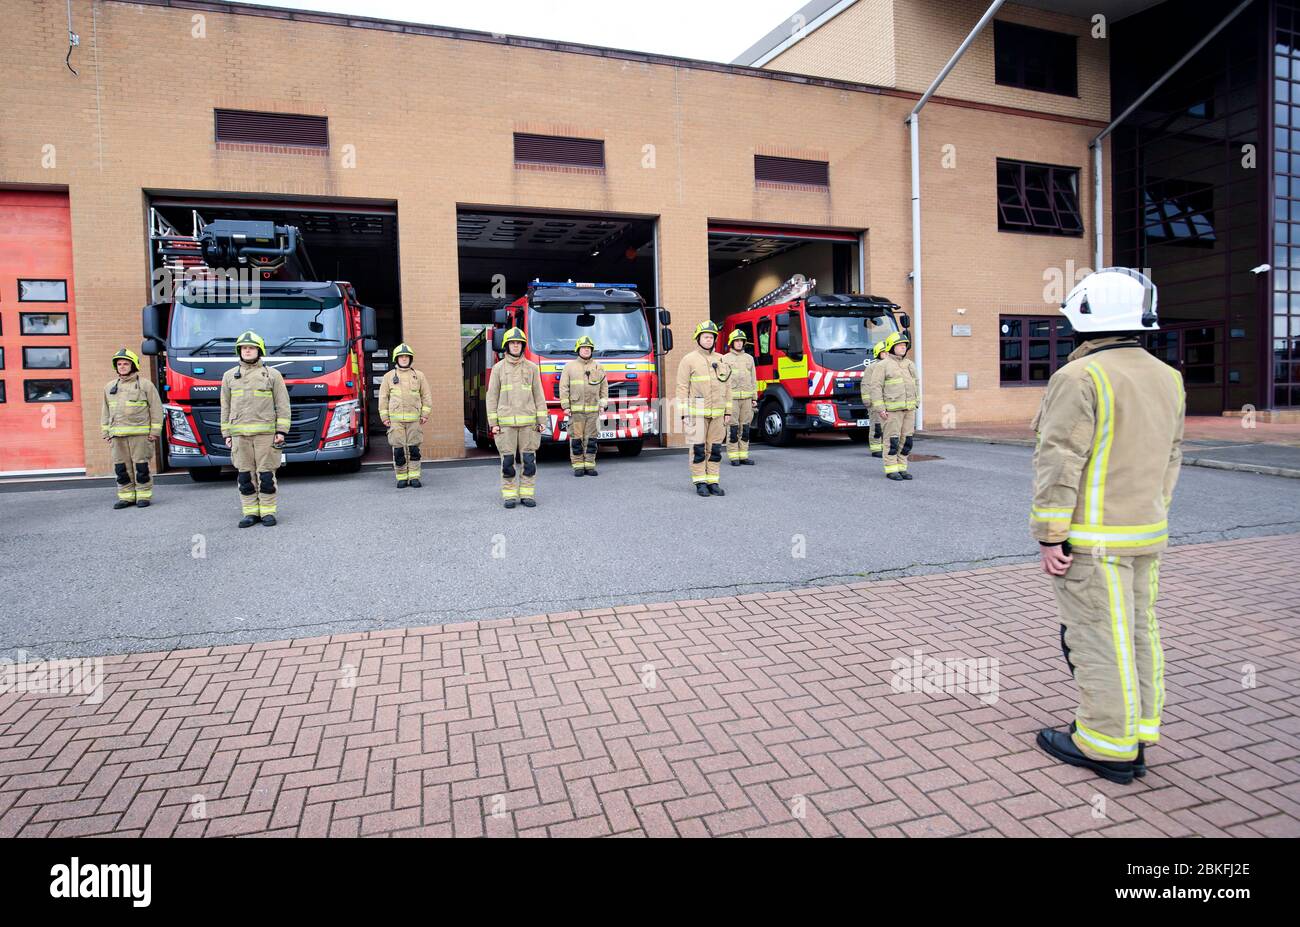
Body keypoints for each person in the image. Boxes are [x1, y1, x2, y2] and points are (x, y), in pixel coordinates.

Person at [1032, 268, 1184, 785]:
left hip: (1093, 542)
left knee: (1098, 637)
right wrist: (1151, 511)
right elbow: (1171, 457)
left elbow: (1059, 461)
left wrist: (1051, 534)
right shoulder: (1168, 377)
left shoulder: (1079, 377)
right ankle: (1139, 729)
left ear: (1085, 320)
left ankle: (1105, 743)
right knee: (1140, 633)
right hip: (1144, 531)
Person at [220, 330, 290, 527]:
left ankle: (268, 512)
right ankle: (250, 513)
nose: (247, 351)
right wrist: (226, 433)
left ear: (259, 350)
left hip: (266, 436)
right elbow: (225, 406)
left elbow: (283, 405)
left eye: (251, 348)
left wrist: (281, 431)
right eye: (244, 348)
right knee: (245, 476)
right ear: (239, 351)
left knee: (266, 475)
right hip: (239, 436)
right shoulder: (229, 377)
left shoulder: (272, 375)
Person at [486, 326, 547, 508]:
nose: (515, 346)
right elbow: (492, 396)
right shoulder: (498, 369)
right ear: (506, 346)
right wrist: (493, 423)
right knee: (507, 462)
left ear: (522, 346)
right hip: (505, 425)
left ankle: (527, 494)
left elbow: (539, 395)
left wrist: (541, 420)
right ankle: (509, 495)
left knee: (529, 461)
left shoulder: (532, 368)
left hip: (529, 424)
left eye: (518, 343)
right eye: (512, 343)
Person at [101, 348, 163, 508]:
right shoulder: (109, 387)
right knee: (121, 468)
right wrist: (106, 432)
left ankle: (143, 496)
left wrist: (154, 432)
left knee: (141, 467)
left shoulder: (145, 385)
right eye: (119, 364)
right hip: (117, 436)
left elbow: (156, 409)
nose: (122, 366)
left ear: (133, 365)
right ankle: (126, 497)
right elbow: (105, 410)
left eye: (125, 363)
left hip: (140, 436)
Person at [676, 320, 733, 496]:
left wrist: (728, 411)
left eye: (711, 337)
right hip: (696, 413)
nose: (709, 340)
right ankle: (700, 482)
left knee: (715, 449)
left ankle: (713, 481)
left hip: (718, 414)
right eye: (705, 337)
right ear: (698, 338)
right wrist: (684, 414)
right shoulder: (689, 360)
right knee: (699, 449)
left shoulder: (721, 359)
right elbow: (682, 388)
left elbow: (728, 387)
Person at [378, 342, 432, 488]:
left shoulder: (419, 376)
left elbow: (426, 396)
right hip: (395, 422)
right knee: (399, 451)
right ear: (396, 359)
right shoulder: (388, 377)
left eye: (406, 357)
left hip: (414, 421)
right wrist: (384, 417)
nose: (403, 359)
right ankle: (401, 477)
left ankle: (414, 477)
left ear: (410, 359)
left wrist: (425, 414)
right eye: (401, 357)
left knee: (414, 450)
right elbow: (383, 398)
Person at [868, 332, 916, 481]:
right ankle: (891, 469)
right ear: (891, 347)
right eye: (900, 345)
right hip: (891, 411)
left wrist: (916, 403)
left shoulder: (909, 364)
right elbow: (875, 388)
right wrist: (880, 408)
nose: (903, 348)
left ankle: (902, 468)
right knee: (892, 441)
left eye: (904, 345)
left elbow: (916, 384)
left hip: (909, 409)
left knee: (906, 440)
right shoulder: (882, 365)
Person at [559, 335, 609, 476]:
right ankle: (578, 466)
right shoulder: (569, 367)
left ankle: (590, 465)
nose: (586, 350)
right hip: (576, 412)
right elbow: (563, 387)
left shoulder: (598, 367)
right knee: (576, 440)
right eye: (583, 348)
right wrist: (565, 406)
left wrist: (603, 403)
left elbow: (604, 388)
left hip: (593, 412)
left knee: (591, 440)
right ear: (578, 350)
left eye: (588, 348)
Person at [719, 329, 757, 466]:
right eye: (737, 341)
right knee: (733, 429)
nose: (739, 343)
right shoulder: (725, 358)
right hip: (732, 399)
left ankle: (743, 456)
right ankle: (734, 457)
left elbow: (753, 379)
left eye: (741, 341)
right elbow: (722, 380)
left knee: (745, 428)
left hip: (747, 399)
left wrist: (754, 397)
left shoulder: (749, 359)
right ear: (732, 342)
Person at [862, 339, 889, 457]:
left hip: (888, 402)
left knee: (888, 426)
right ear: (878, 353)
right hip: (875, 402)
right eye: (884, 352)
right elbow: (866, 384)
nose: (887, 354)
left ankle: (886, 447)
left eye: (888, 352)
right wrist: (868, 401)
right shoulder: (872, 367)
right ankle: (876, 449)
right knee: (876, 426)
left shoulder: (890, 366)